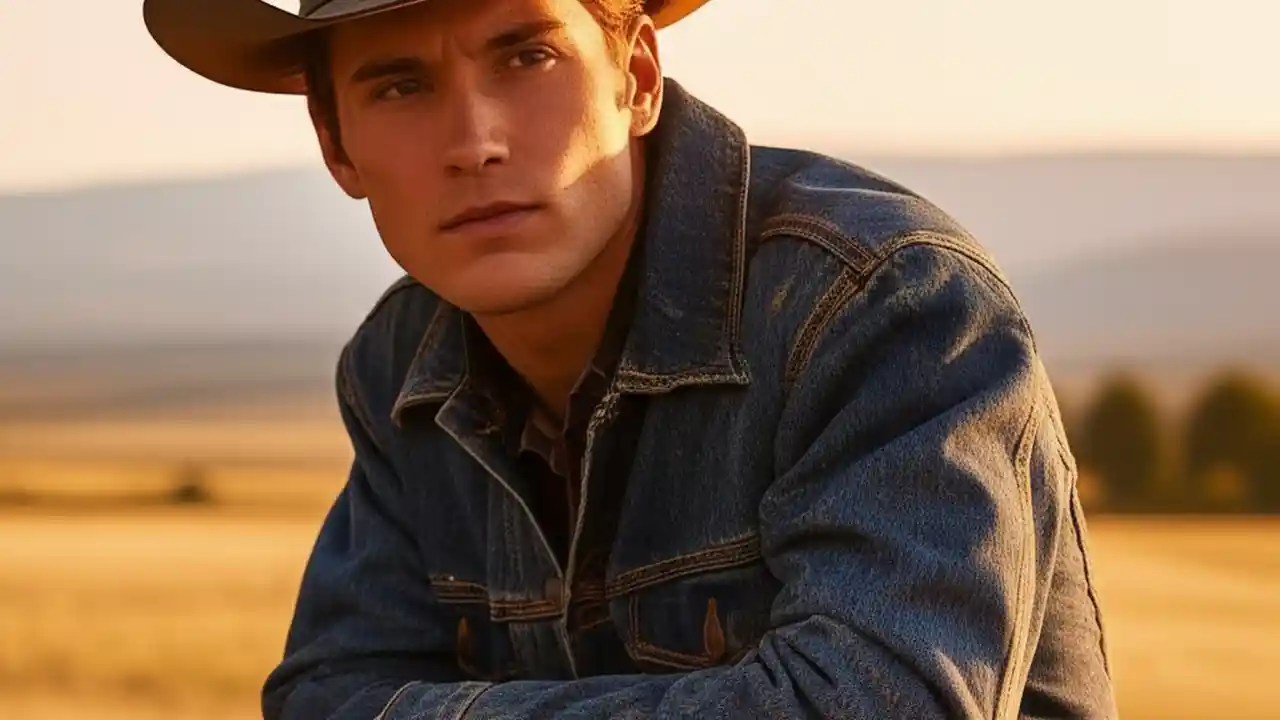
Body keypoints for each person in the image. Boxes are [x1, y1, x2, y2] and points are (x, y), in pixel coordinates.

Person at [144, 0, 1118, 717]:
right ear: (336, 146)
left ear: (637, 80)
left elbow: (878, 707)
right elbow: (321, 694)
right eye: (401, 86)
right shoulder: (401, 362)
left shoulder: (876, 300)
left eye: (525, 55)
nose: (472, 141)